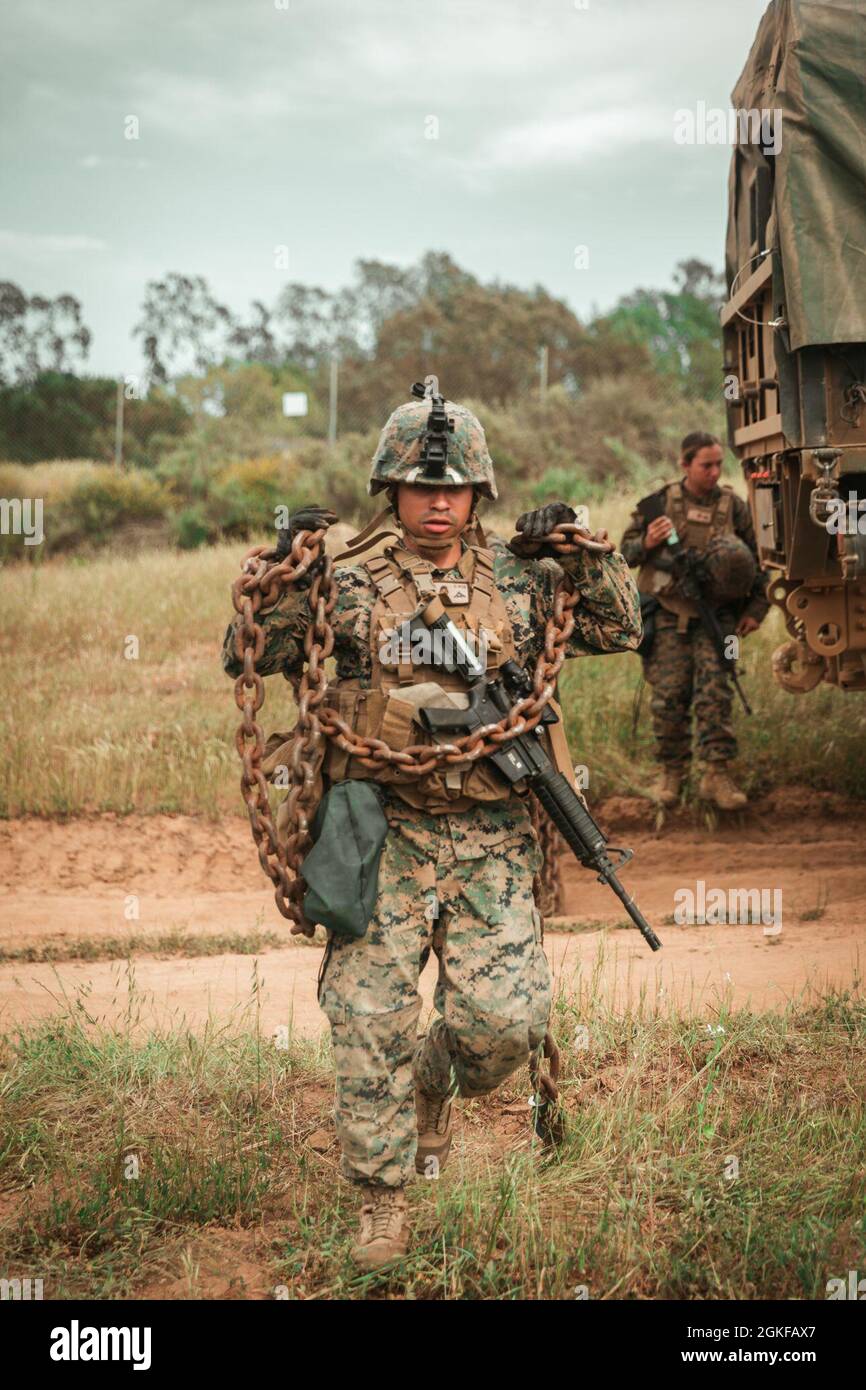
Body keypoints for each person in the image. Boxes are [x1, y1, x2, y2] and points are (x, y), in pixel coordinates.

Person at [222, 387, 641, 1270]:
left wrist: (578, 547)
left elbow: (618, 625)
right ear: (391, 489)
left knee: (505, 1028)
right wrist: (286, 565)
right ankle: (382, 1201)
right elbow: (250, 653)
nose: (437, 501)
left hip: (491, 835)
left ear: (478, 491)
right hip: (382, 828)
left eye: (453, 487)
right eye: (419, 486)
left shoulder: (520, 582)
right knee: (368, 1015)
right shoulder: (347, 577)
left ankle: (435, 1082)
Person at [619, 431, 768, 811]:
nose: (715, 472)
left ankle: (717, 775)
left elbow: (759, 563)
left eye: (719, 464)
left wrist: (755, 610)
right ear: (685, 464)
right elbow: (625, 555)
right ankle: (672, 773)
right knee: (668, 697)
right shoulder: (660, 504)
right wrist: (649, 543)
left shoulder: (733, 507)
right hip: (669, 613)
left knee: (715, 694)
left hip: (716, 617)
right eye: (706, 465)